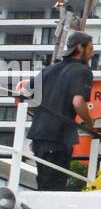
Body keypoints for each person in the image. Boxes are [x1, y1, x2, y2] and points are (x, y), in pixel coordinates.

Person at [28, 30, 94, 190]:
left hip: (38, 137)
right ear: (80, 47)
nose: (91, 54)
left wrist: (42, 121)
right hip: (58, 138)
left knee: (44, 183)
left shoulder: (48, 70)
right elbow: (78, 103)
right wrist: (90, 125)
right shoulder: (82, 71)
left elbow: (28, 101)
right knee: (55, 186)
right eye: (91, 49)